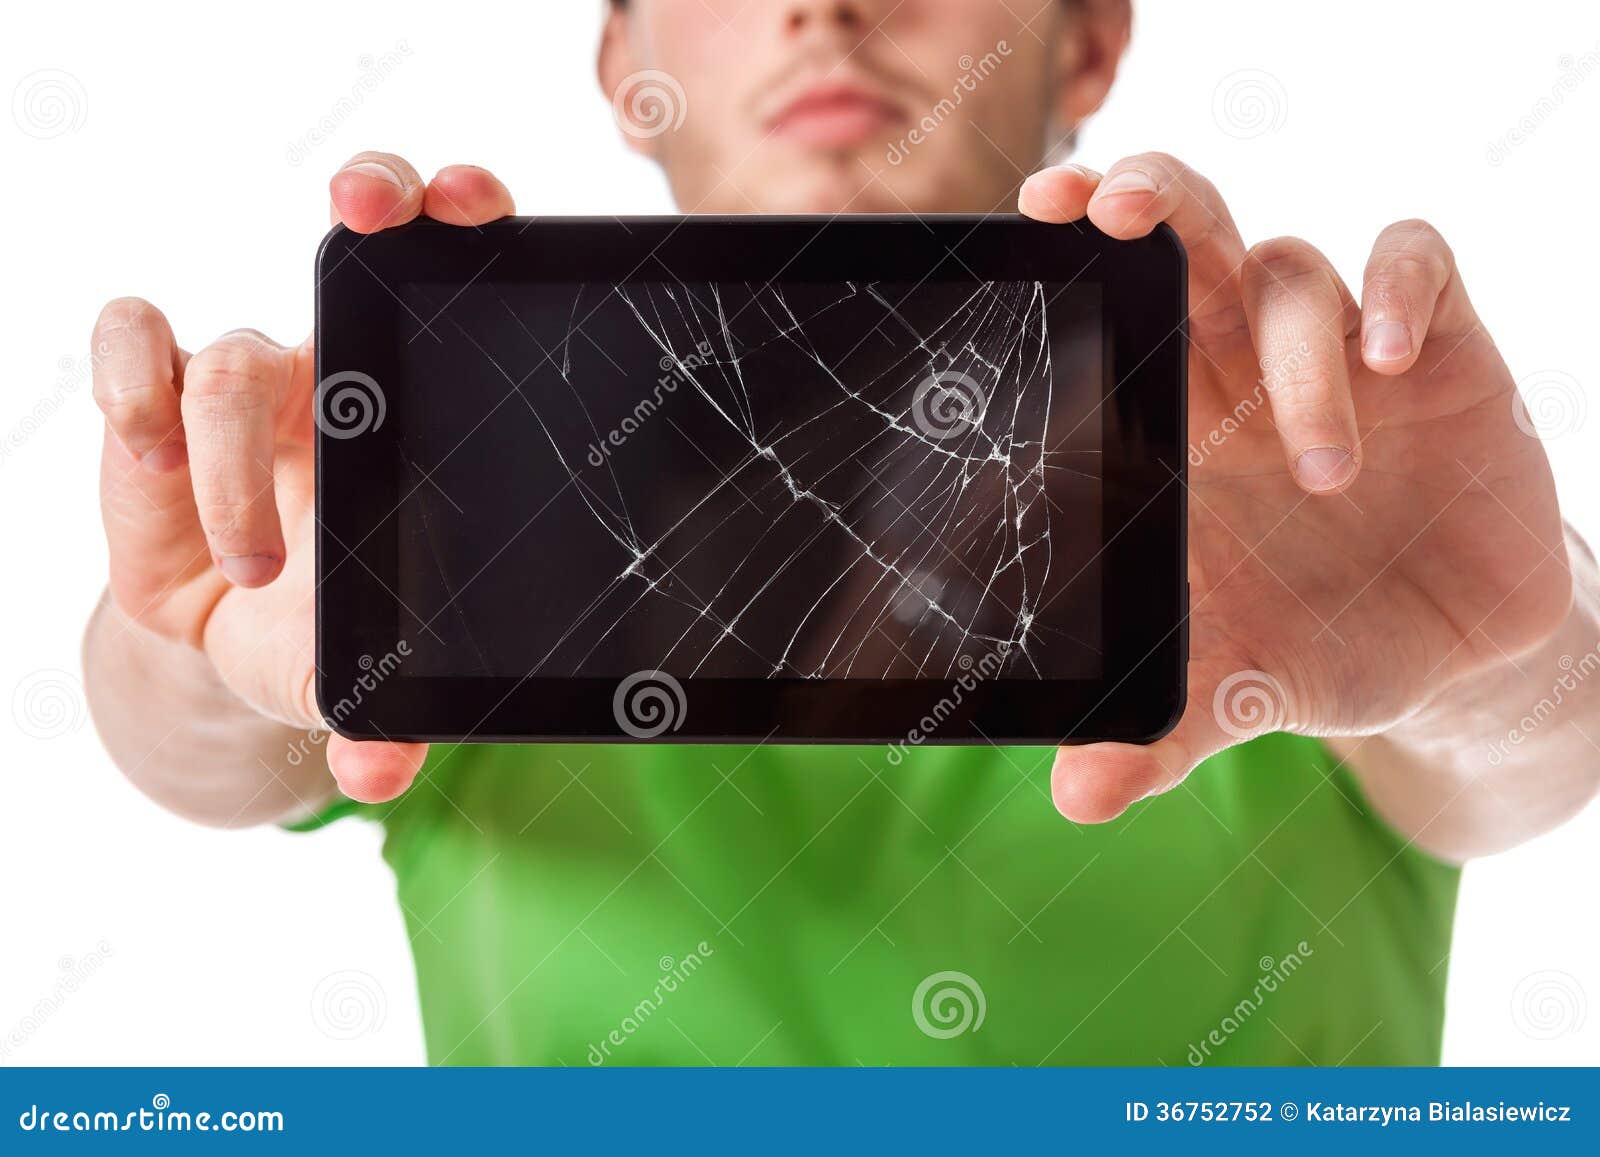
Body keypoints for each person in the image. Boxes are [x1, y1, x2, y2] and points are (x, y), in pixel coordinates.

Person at [83, 0, 1599, 1065]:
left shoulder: (1272, 470)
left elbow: (1521, 751)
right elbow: (210, 753)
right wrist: (209, 634)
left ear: (1090, 34)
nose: (826, 5)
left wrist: (1494, 654)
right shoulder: (461, 495)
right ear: (627, 63)